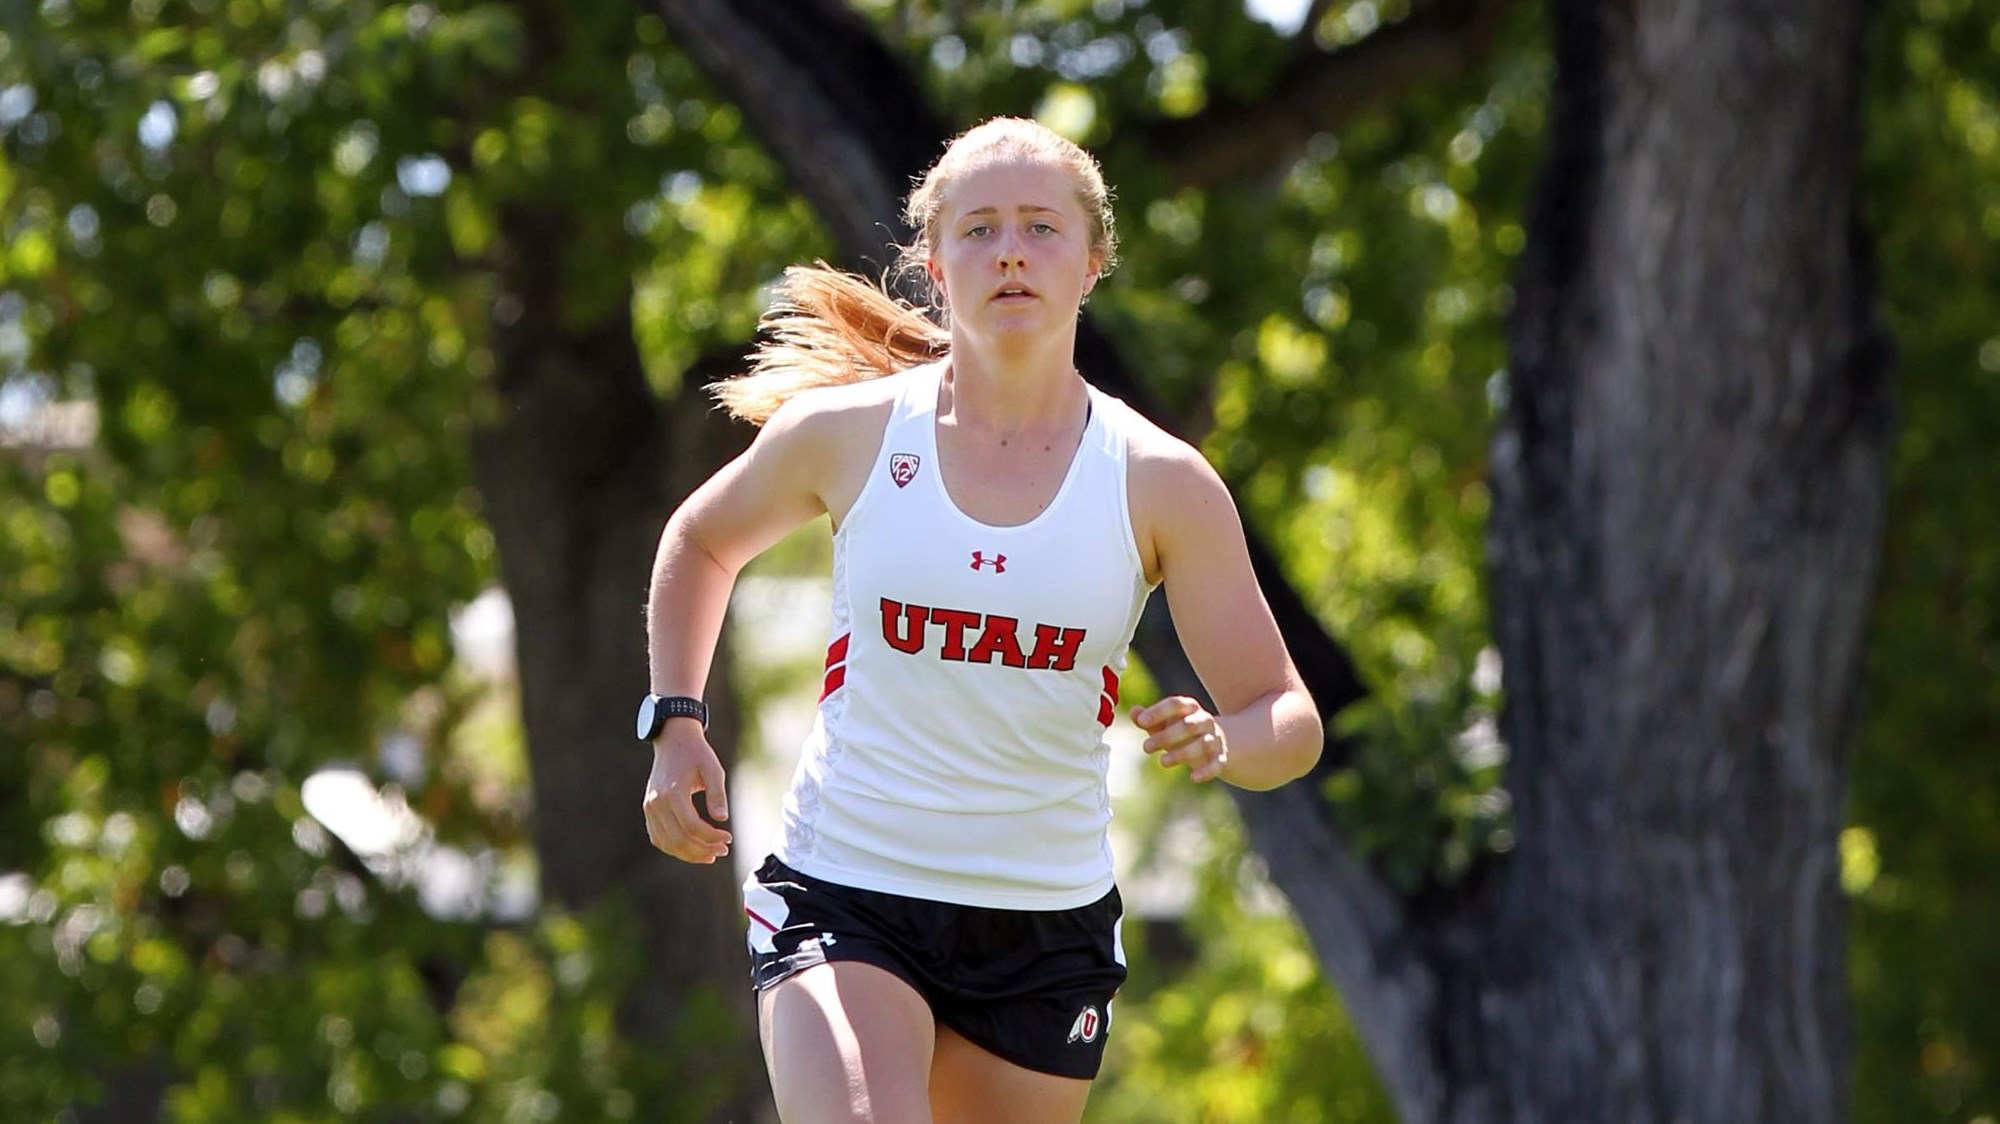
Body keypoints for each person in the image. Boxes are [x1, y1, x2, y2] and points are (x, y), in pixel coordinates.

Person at [638, 117, 1322, 1124]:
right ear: (933, 264)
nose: (1008, 249)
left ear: (1092, 264)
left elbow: (1286, 717)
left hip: (1044, 931)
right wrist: (676, 719)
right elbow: (700, 542)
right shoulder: (850, 435)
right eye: (979, 229)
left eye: (1041, 228)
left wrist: (1226, 739)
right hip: (845, 891)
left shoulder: (1158, 481)